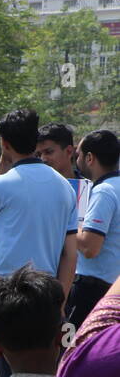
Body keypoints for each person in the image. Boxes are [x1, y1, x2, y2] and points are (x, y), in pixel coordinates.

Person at [0, 108, 78, 377]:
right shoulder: (65, 187)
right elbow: (70, 253)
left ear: (5, 144)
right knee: (46, 376)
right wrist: (61, 301)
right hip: (46, 294)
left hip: (5, 295)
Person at [66, 129, 120, 329]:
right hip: (112, 289)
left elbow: (90, 247)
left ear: (90, 158)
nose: (76, 160)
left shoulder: (104, 191)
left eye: (78, 155)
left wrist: (68, 224)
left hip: (90, 291)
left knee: (68, 346)